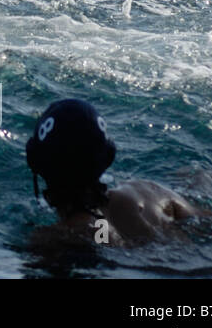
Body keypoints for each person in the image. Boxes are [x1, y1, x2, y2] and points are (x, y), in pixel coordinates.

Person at [26, 98, 198, 246]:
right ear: (108, 158)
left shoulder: (57, 238)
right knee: (196, 177)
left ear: (35, 163)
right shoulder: (147, 193)